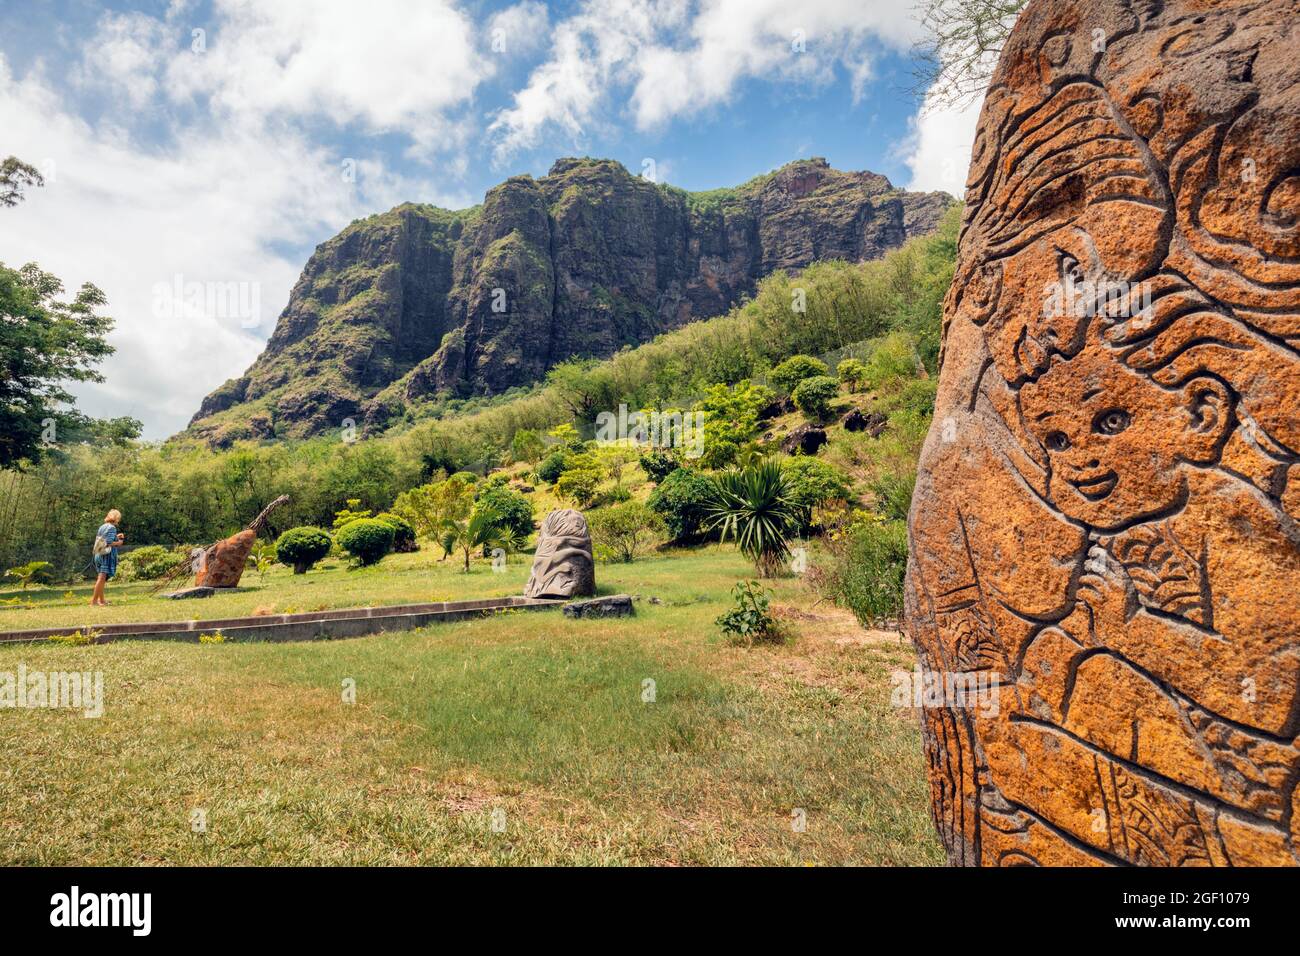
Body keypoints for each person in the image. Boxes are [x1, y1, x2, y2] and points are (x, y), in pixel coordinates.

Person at [91, 509, 125, 606]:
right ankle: (94, 601)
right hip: (106, 556)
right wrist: (119, 542)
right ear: (116, 518)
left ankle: (101, 601)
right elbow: (108, 543)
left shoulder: (102, 527)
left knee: (102, 578)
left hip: (98, 554)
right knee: (102, 578)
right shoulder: (112, 528)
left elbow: (103, 540)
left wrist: (116, 536)